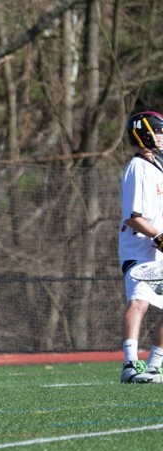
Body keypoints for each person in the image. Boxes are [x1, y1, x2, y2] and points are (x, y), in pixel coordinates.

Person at [118, 110, 163, 383]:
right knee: (139, 302)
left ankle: (155, 366)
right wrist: (159, 237)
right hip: (139, 249)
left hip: (158, 248)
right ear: (144, 134)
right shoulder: (138, 167)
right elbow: (133, 217)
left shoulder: (158, 166)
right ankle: (129, 365)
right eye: (159, 132)